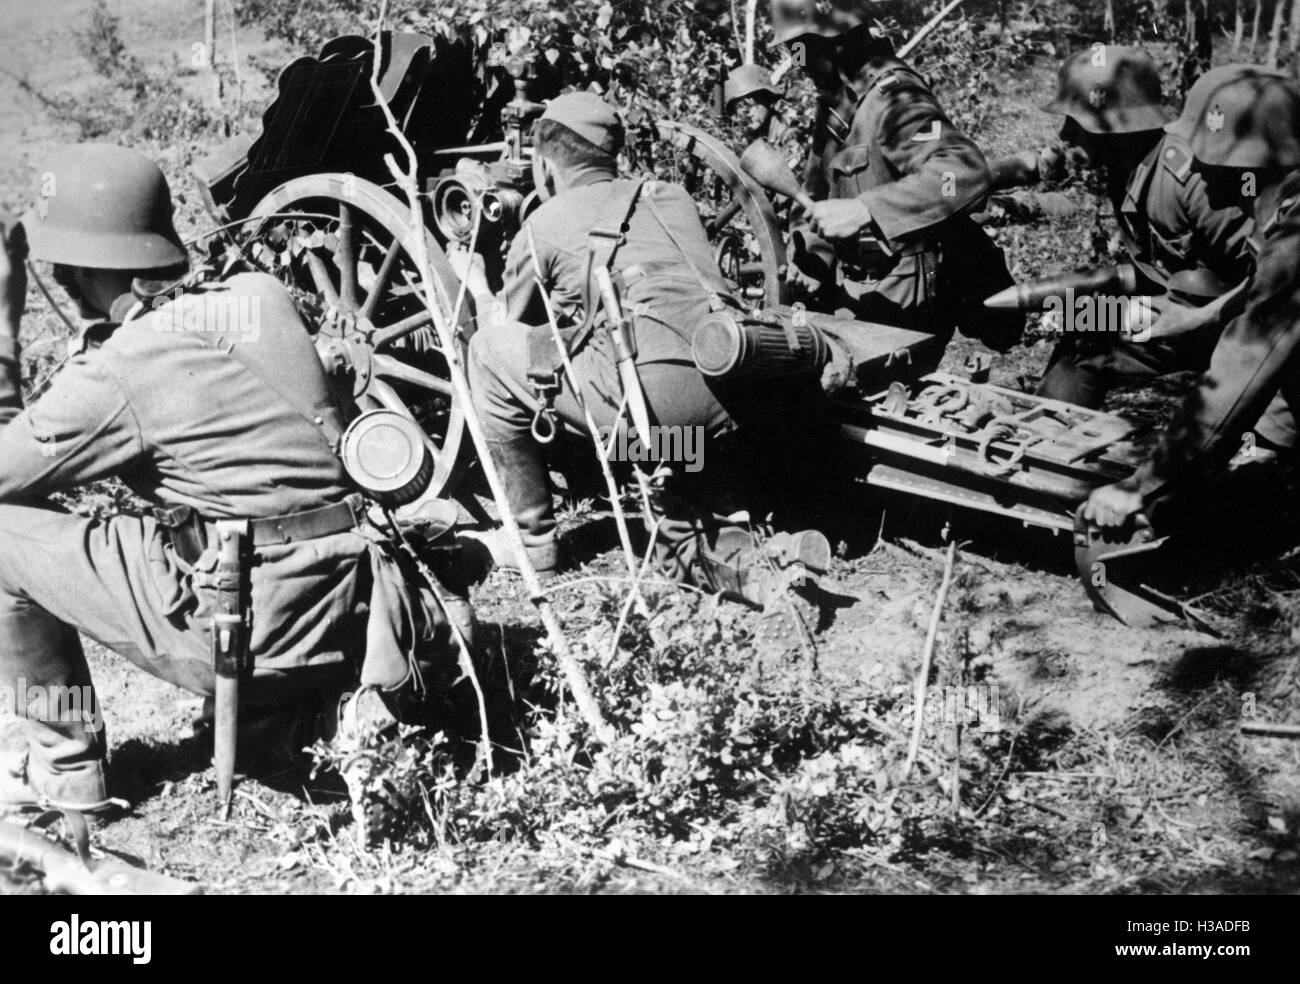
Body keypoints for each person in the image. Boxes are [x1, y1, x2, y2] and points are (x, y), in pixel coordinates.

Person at [0, 144, 462, 813]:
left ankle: (66, 767)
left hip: (249, 628)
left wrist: (5, 325)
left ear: (72, 274)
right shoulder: (259, 296)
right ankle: (310, 719)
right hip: (357, 603)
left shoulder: (119, 368)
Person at [459, 92, 830, 609]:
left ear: (545, 165)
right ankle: (711, 511)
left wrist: (474, 281)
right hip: (733, 396)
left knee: (486, 352)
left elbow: (510, 323)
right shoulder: (673, 196)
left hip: (651, 422)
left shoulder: (543, 224)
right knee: (673, 423)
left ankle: (532, 541)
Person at [1027, 52, 1284, 442]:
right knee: (1085, 327)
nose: (1064, 136)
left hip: (1234, 329)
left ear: (1114, 127)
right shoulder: (1126, 169)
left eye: (1075, 124)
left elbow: (1273, 283)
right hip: (1177, 316)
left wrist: (1195, 319)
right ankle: (1041, 441)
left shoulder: (1190, 181)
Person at [1083, 74, 1300, 530]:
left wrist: (1143, 484)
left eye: (1209, 161)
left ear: (1248, 165)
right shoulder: (1281, 199)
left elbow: (1247, 360)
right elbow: (1267, 295)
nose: (1196, 172)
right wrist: (1197, 317)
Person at [768, 0, 1023, 356]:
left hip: (906, 299)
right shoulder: (836, 103)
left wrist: (865, 210)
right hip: (856, 289)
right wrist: (811, 261)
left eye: (801, 50)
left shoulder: (894, 98)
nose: (797, 65)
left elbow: (961, 168)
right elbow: (816, 194)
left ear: (836, 42)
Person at [724, 63, 802, 167]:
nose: (745, 114)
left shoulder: (792, 135)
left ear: (766, 98)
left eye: (748, 104)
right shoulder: (749, 146)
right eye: (737, 108)